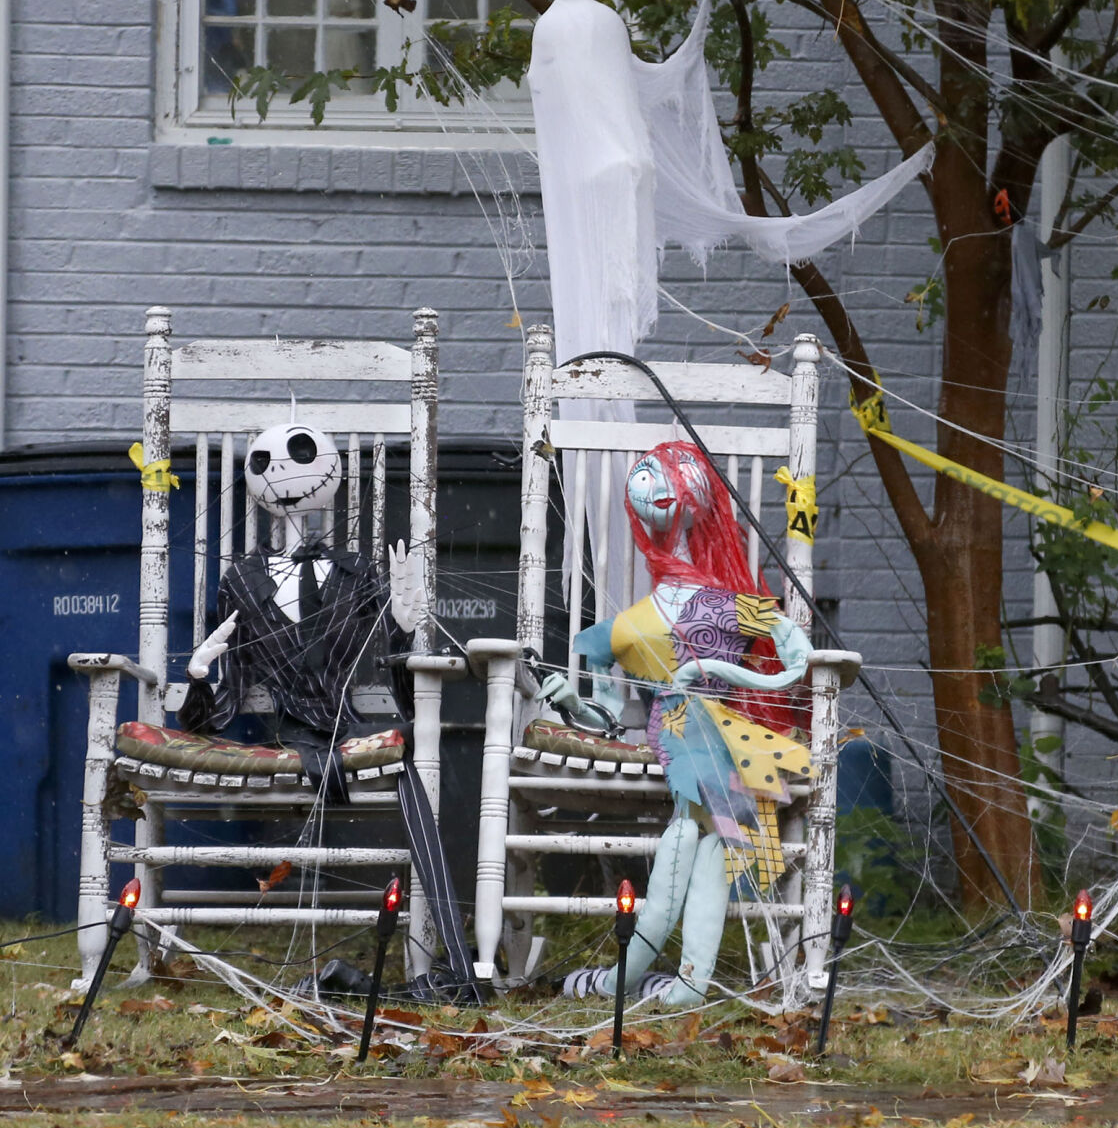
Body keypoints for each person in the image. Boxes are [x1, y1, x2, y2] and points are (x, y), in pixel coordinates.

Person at [182, 421, 480, 1000]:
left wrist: (402, 622)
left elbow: (386, 668)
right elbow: (220, 703)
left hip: (349, 728)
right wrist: (198, 674)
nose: (287, 476)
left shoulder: (358, 573)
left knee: (409, 766)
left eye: (300, 455)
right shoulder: (241, 580)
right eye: (270, 460)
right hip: (288, 732)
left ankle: (451, 959)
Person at [540, 442, 813, 1006]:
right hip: (681, 733)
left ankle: (669, 981)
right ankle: (661, 980)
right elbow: (610, 717)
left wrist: (732, 674)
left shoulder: (738, 605)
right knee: (696, 840)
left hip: (735, 737)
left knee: (703, 843)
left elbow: (799, 658)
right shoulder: (621, 630)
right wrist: (571, 701)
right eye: (650, 477)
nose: (665, 487)